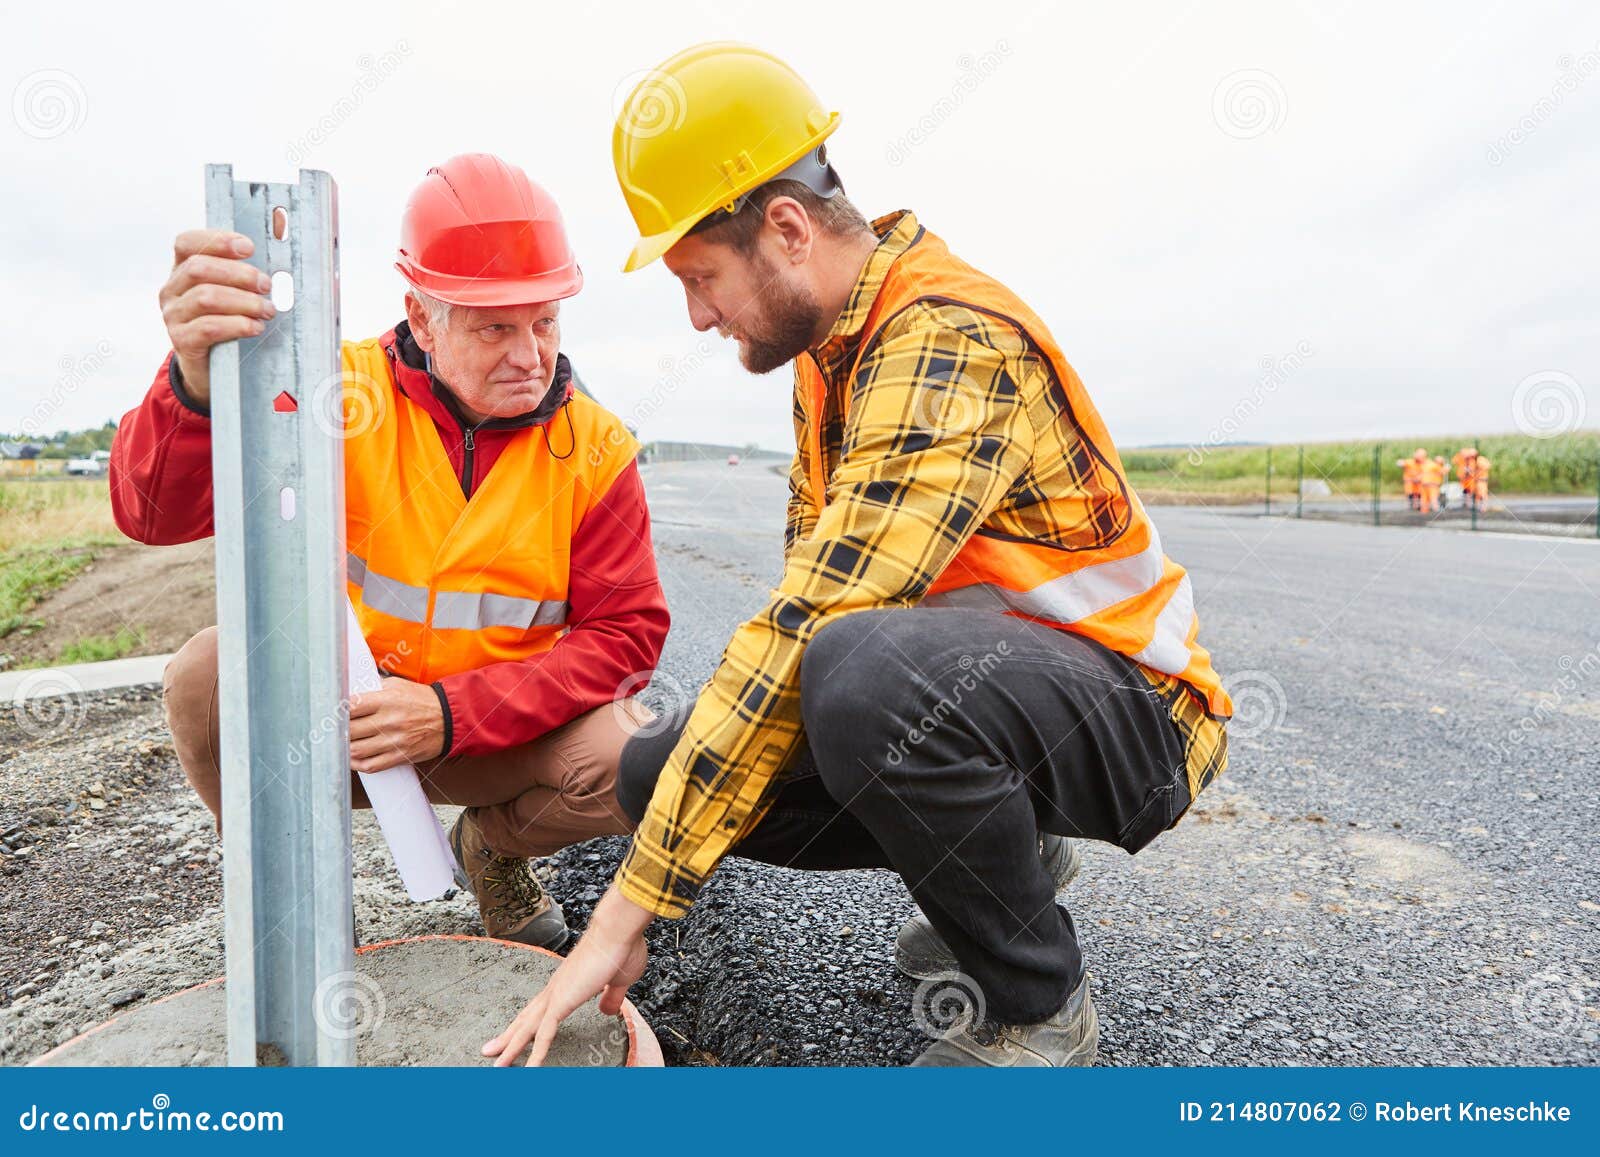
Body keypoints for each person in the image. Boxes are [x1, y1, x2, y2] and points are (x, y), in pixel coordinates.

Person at [485, 43, 1232, 1068]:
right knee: (676, 759)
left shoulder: (941, 339)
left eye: (701, 276)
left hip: (1135, 716)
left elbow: (821, 626)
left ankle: (1038, 1010)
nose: (698, 314)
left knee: (854, 673)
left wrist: (629, 906)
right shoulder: (830, 353)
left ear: (785, 230)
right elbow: (807, 621)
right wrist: (668, 819)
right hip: (1003, 696)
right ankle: (1008, 858)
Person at [110, 155, 669, 950]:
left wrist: (449, 715)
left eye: (544, 321)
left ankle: (495, 848)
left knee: (641, 751)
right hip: (337, 727)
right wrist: (195, 381)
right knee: (203, 675)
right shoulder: (333, 393)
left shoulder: (596, 449)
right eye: (494, 326)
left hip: (491, 737)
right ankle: (284, 889)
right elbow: (152, 514)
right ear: (420, 311)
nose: (529, 355)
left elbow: (625, 640)